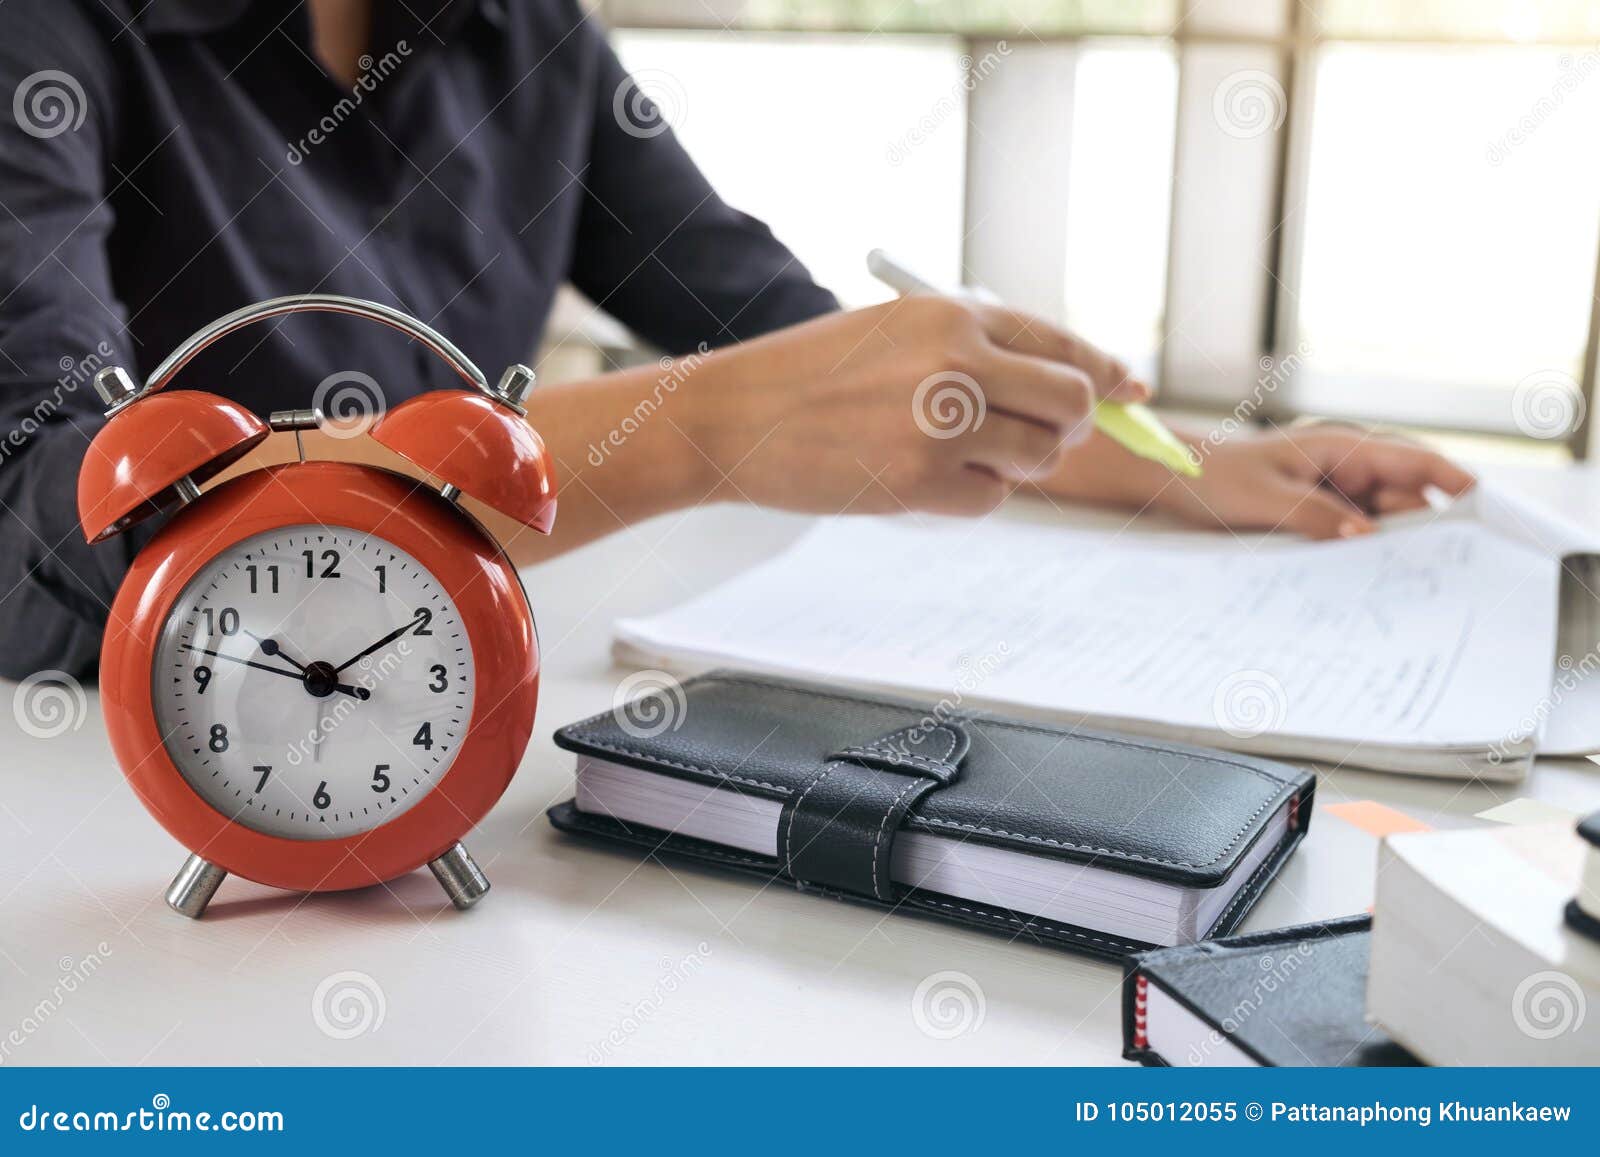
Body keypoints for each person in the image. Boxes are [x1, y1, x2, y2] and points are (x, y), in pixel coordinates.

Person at [0, 0, 1474, 682]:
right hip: (155, 772)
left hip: (462, 717)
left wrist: (1189, 468)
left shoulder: (532, 37)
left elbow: (772, 327)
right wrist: (708, 429)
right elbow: (40, 508)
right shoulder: (48, 36)